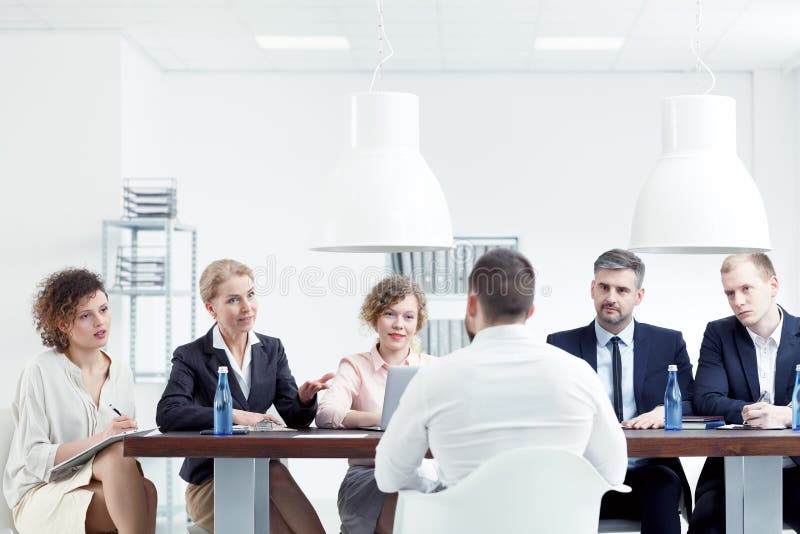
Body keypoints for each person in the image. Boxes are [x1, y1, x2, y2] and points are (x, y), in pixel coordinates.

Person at [374, 249, 627, 496]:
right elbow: (614, 472)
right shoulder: (579, 374)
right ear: (530, 311)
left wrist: (436, 474)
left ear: (471, 305)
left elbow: (389, 476)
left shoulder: (433, 378)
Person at [156, 259, 332, 534]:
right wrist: (235, 415)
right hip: (211, 481)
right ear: (211, 308)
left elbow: (294, 417)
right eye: (233, 300)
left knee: (274, 472)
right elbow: (168, 413)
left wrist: (305, 398)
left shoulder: (271, 349)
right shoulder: (191, 355)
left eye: (250, 295)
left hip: (261, 473)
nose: (247, 307)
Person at [547, 249, 694, 534]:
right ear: (592, 289)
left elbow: (693, 402)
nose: (611, 297)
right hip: (585, 472)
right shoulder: (560, 345)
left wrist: (667, 411)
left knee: (662, 486)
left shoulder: (668, 342)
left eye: (622, 290)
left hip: (649, 471)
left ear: (638, 296)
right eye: (604, 287)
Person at [3, 268, 157, 534]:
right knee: (139, 488)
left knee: (146, 487)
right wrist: (103, 438)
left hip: (95, 481)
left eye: (104, 310)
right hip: (41, 493)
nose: (101, 322)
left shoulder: (121, 373)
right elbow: (34, 456)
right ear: (63, 324)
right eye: (86, 316)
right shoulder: (40, 371)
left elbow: (122, 449)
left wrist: (129, 435)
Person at [316, 275, 436, 534]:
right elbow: (326, 414)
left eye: (408, 317)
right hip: (369, 474)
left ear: (418, 323)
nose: (398, 324)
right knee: (398, 496)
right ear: (374, 318)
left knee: (417, 488)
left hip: (422, 471)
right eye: (389, 314)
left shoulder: (432, 368)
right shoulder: (355, 365)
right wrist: (380, 417)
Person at [690, 253, 800, 533]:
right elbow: (706, 398)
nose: (737, 301)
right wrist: (751, 412)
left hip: (797, 470)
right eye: (730, 292)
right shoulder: (718, 333)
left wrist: (789, 415)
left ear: (773, 285)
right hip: (731, 469)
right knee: (705, 525)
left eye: (746, 289)